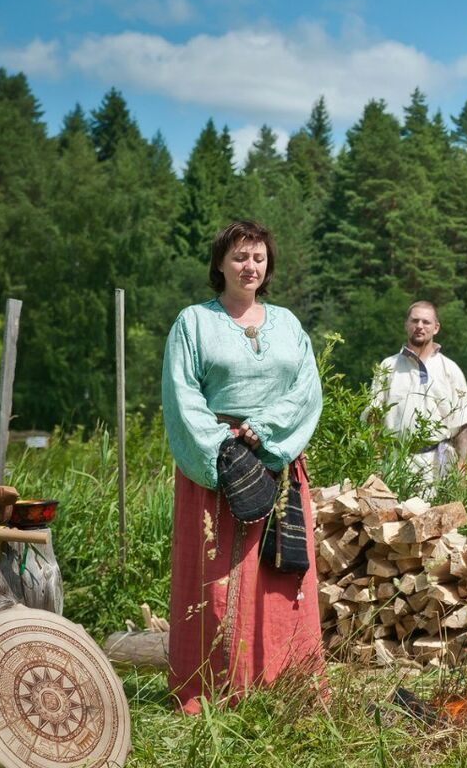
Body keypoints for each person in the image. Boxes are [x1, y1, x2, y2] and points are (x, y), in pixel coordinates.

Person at [162, 220, 324, 714]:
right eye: (238, 257)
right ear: (219, 264)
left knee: (279, 576)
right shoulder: (193, 323)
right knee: (217, 578)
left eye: (257, 257)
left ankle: (283, 684)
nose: (249, 266)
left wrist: (267, 432)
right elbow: (181, 395)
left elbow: (306, 390)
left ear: (268, 264)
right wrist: (223, 449)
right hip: (216, 465)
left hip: (277, 462)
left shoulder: (289, 325)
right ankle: (215, 689)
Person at [367, 302, 467, 487]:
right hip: (394, 462)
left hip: (439, 464)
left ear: (436, 328)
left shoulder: (450, 369)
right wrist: (375, 462)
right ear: (406, 324)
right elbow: (373, 418)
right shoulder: (388, 367)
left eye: (426, 322)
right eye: (414, 320)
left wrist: (462, 466)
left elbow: (462, 423)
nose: (419, 326)